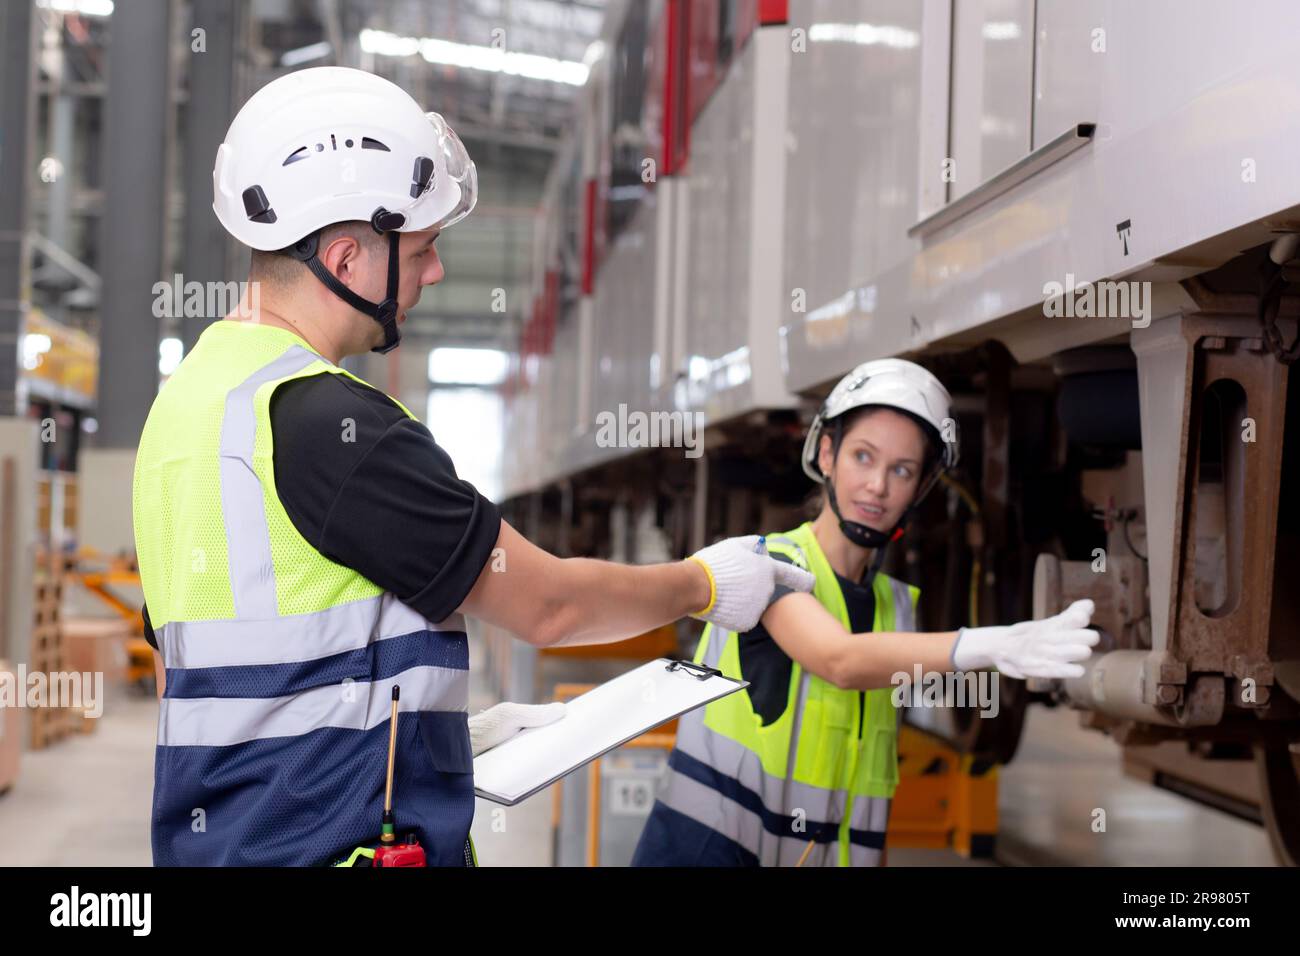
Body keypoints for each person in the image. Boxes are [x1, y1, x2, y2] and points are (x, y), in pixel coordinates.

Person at [132, 66, 812, 867]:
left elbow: (243, 671)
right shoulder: (335, 426)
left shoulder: (187, 408)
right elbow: (550, 607)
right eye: (422, 248)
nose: (436, 271)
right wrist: (707, 584)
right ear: (346, 258)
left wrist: (427, 739)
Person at [631, 358, 1098, 867]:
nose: (878, 485)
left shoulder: (894, 609)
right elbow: (839, 660)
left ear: (920, 488)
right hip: (707, 853)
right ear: (827, 454)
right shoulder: (768, 565)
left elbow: (862, 789)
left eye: (902, 470)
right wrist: (988, 644)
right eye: (862, 457)